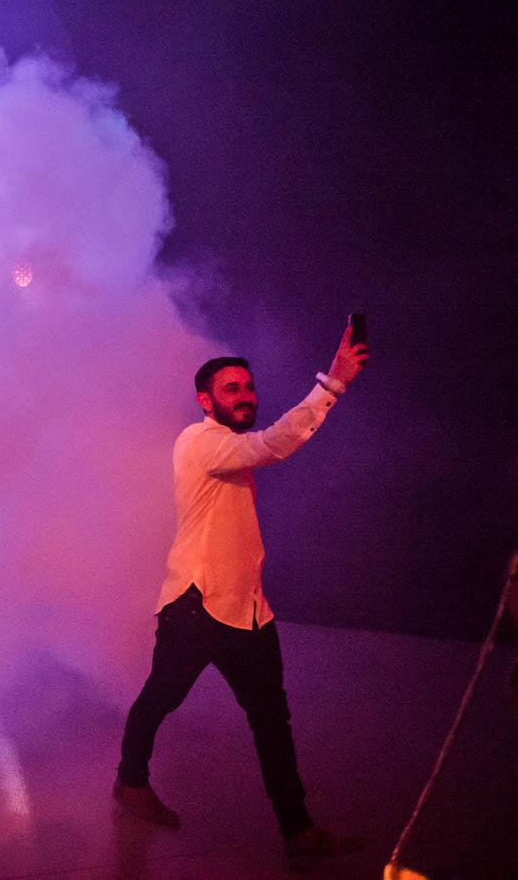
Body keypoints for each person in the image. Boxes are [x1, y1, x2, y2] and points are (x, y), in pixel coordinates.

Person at [114, 324, 369, 869]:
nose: (246, 395)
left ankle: (298, 831)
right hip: (196, 607)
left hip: (251, 613)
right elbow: (273, 443)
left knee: (272, 723)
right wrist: (333, 385)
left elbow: (263, 448)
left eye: (248, 387)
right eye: (232, 389)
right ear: (206, 401)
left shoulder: (228, 447)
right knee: (160, 698)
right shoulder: (200, 440)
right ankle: (129, 783)